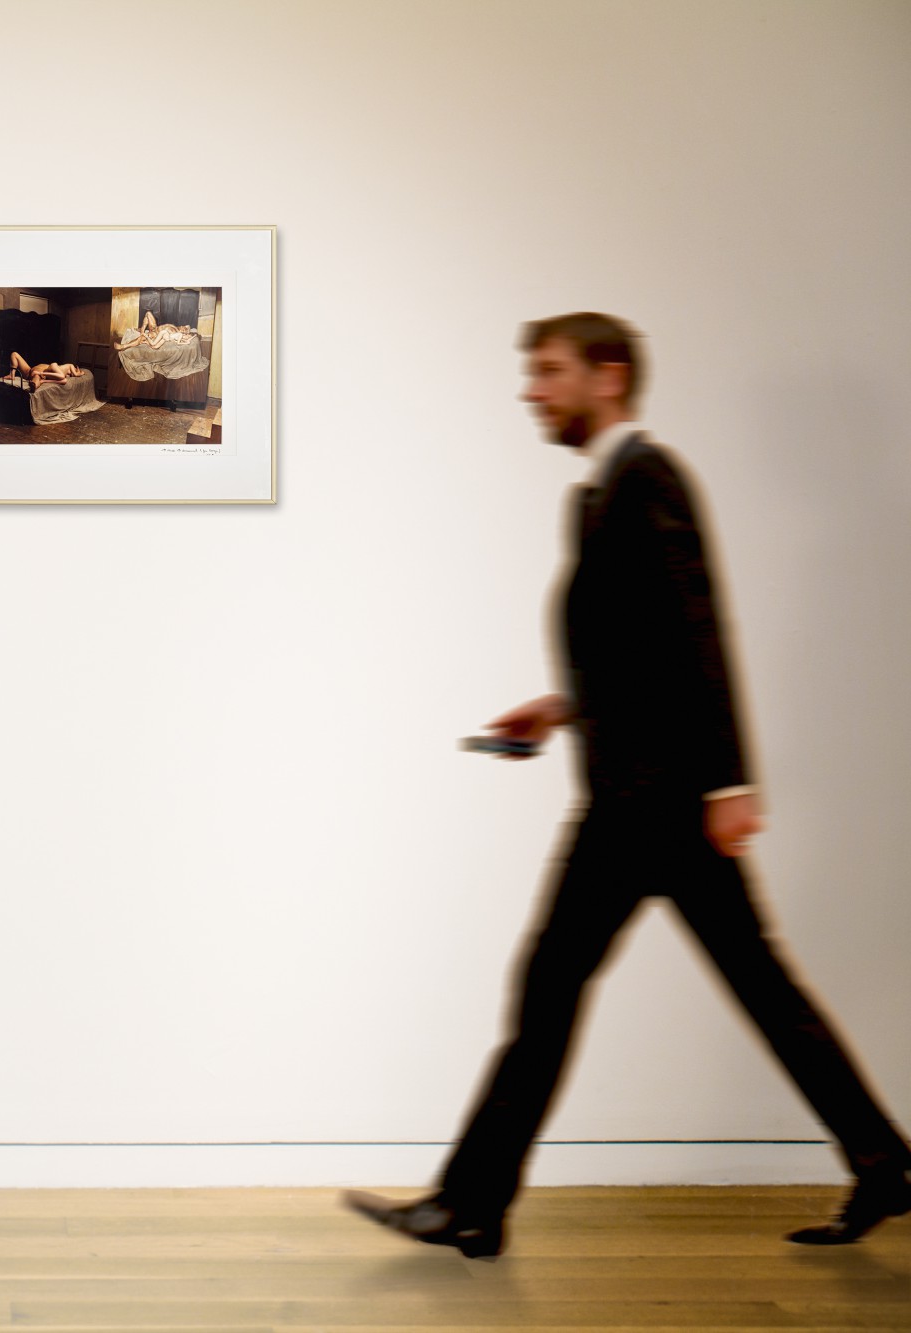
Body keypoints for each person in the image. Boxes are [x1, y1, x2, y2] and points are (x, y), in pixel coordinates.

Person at [343, 312, 911, 1259]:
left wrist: (731, 781)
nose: (533, 390)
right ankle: (885, 1162)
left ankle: (471, 1202)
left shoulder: (650, 477)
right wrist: (563, 707)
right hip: (646, 793)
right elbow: (642, 649)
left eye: (550, 372)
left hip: (653, 801)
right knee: (755, 987)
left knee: (552, 987)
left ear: (609, 378)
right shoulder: (596, 496)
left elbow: (700, 631)